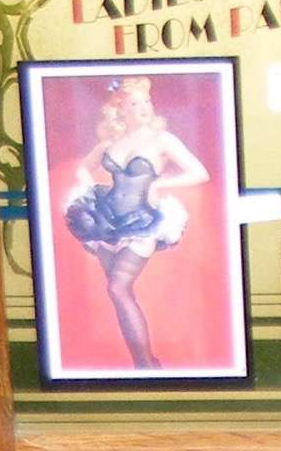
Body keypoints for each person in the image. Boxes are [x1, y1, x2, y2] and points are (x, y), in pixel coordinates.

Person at [62, 76, 209, 369]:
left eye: (146, 101)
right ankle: (144, 365)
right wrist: (90, 189)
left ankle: (146, 365)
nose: (143, 108)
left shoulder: (163, 140)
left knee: (118, 287)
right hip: (105, 220)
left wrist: (160, 184)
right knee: (119, 292)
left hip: (143, 219)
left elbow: (199, 172)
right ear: (120, 109)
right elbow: (82, 169)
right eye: (134, 103)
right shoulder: (109, 144)